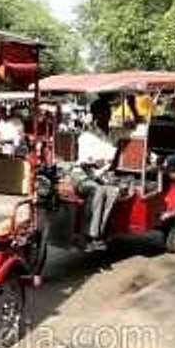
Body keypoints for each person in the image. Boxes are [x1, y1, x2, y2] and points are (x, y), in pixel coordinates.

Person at [57, 96, 119, 249]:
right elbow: (84, 164)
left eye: (108, 112)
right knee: (98, 190)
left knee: (113, 191)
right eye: (104, 113)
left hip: (102, 176)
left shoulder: (112, 135)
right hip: (81, 176)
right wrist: (97, 169)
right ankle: (89, 235)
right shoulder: (87, 136)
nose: (108, 116)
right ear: (96, 115)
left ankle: (99, 233)